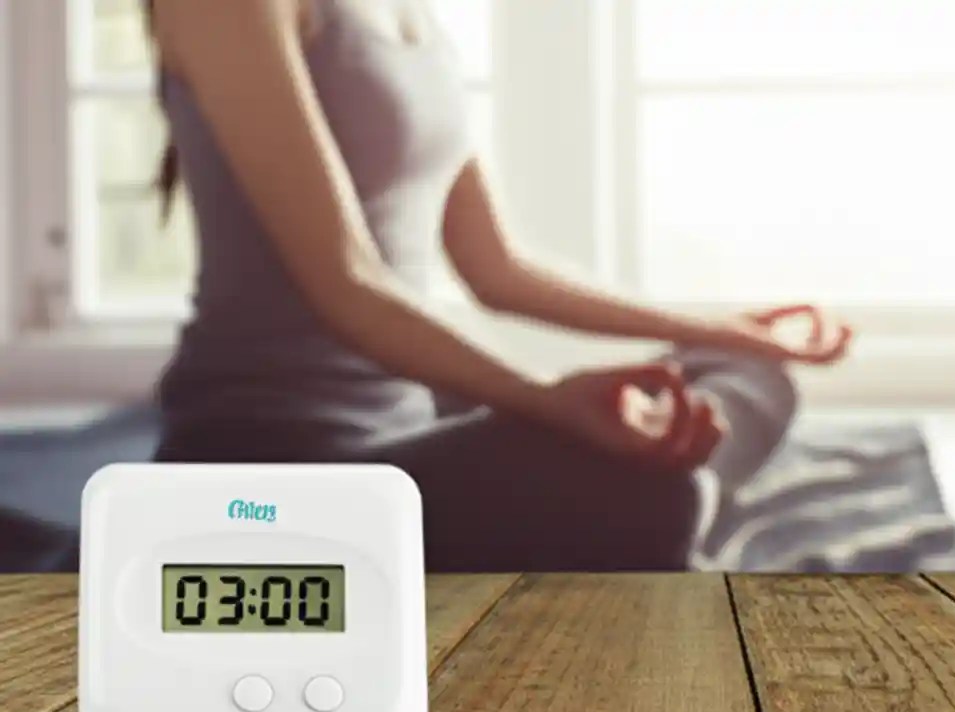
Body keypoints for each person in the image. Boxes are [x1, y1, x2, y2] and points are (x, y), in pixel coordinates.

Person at [145, 0, 853, 572]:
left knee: (753, 372)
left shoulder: (413, 17)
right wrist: (548, 402)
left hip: (411, 419)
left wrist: (719, 331)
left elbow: (499, 269)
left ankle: (660, 481)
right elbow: (350, 280)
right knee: (655, 495)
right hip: (279, 462)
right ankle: (666, 493)